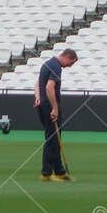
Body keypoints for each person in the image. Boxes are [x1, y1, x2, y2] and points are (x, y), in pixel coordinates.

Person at [33, 49, 78, 181]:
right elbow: (48, 87)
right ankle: (46, 173)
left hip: (43, 105)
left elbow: (37, 83)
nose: (70, 66)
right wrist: (55, 108)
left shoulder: (47, 64)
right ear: (67, 57)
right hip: (49, 107)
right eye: (71, 63)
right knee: (52, 139)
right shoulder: (56, 67)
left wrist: (37, 97)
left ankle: (59, 171)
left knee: (55, 139)